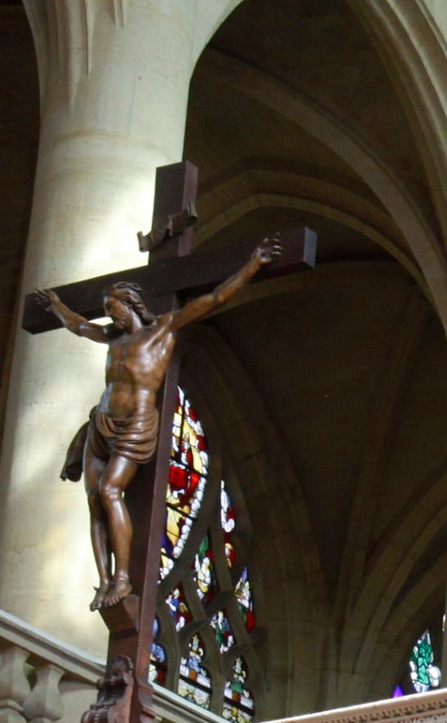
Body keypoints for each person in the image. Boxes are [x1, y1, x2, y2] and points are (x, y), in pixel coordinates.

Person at [27, 235, 300, 620]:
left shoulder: (163, 330)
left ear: (131, 303)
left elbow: (216, 299)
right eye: (106, 308)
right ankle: (105, 581)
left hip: (135, 426)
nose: (110, 314)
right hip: (101, 424)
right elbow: (80, 327)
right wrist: (57, 307)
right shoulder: (111, 337)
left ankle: (122, 578)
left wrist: (253, 264)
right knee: (93, 501)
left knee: (109, 491)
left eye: (114, 307)